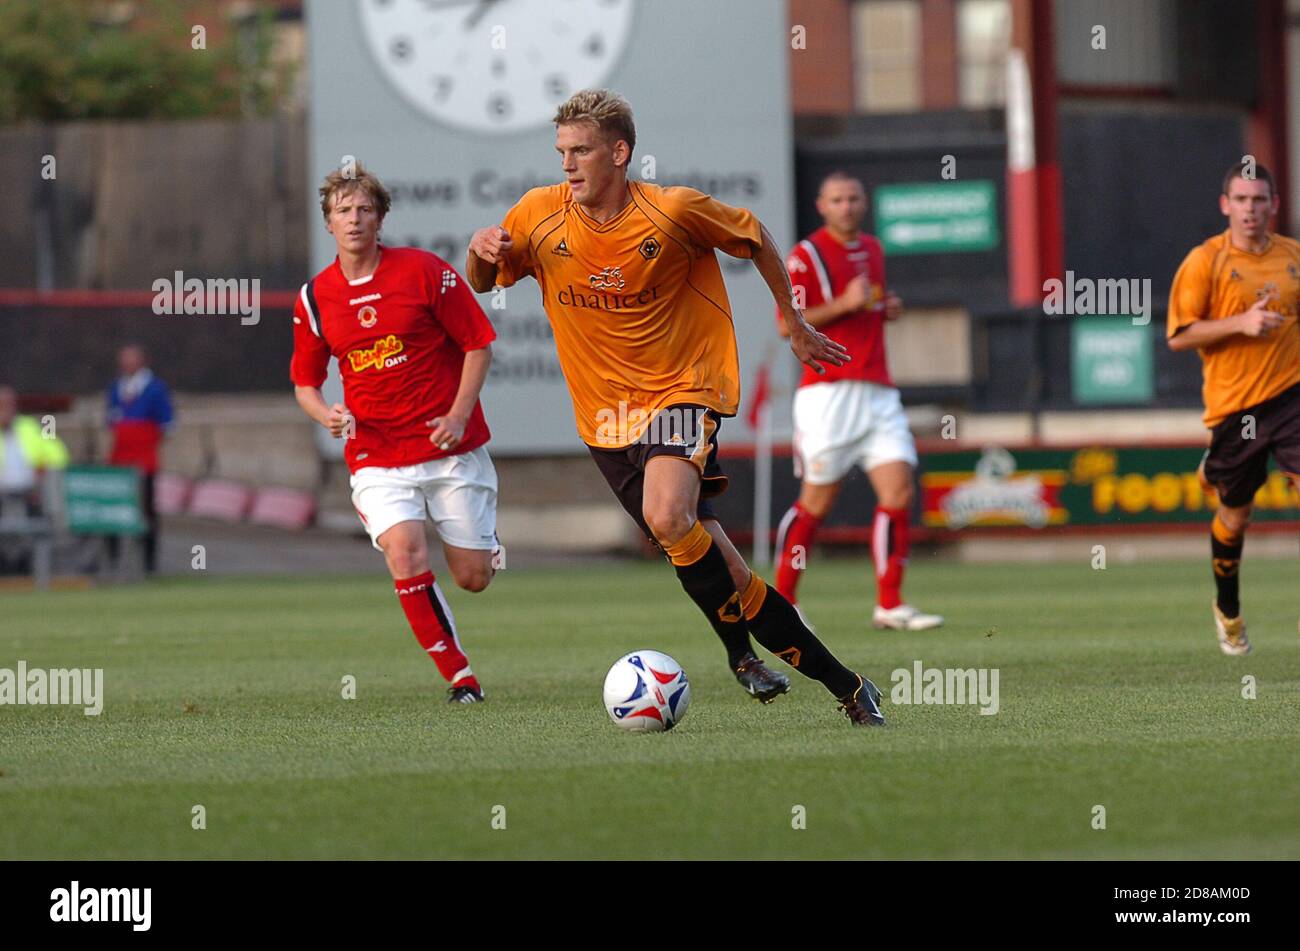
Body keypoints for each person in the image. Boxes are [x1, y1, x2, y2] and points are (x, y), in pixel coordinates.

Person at [466, 89, 886, 726]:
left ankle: (740, 658)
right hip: (605, 421)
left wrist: (794, 322)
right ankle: (850, 687)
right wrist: (479, 248)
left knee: (667, 515)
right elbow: (479, 279)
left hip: (685, 389)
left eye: (581, 151)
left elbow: (754, 236)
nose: (568, 165)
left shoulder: (673, 211)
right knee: (730, 576)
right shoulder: (539, 215)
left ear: (620, 152)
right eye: (561, 153)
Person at [291, 163, 499, 703]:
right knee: (405, 555)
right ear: (329, 223)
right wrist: (327, 416)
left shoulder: (425, 271)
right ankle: (461, 679)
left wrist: (456, 416)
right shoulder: (315, 299)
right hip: (377, 456)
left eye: (364, 209)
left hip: (449, 448)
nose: (354, 219)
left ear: (380, 218)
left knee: (473, 577)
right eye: (343, 210)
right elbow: (305, 385)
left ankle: (484, 545)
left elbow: (479, 344)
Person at [772, 172, 943, 632]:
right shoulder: (805, 256)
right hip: (829, 393)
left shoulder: (873, 249)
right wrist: (846, 303)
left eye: (853, 198)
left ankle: (890, 603)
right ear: (821, 205)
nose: (846, 206)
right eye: (837, 200)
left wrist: (884, 308)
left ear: (863, 203)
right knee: (816, 503)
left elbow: (867, 309)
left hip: (879, 390)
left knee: (899, 490)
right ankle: (782, 602)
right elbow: (789, 325)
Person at [1167, 161, 1300, 656]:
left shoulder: (1293, 257)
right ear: (1226, 205)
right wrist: (1239, 324)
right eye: (1241, 200)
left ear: (1274, 205)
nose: (1250, 209)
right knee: (1235, 515)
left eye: (1259, 199)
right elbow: (1180, 335)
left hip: (1291, 397)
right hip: (1236, 410)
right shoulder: (1205, 261)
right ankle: (1228, 610)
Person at [107, 344, 173, 574]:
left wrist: (145, 445)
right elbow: (112, 421)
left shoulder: (155, 388)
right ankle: (113, 561)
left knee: (147, 511)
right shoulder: (116, 387)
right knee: (112, 508)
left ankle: (149, 563)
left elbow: (167, 424)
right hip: (119, 458)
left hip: (144, 459)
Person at [0, 385, 69, 573]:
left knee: (45, 504)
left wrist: (41, 469)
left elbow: (57, 454)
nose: (6, 411)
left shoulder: (29, 426)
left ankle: (36, 566)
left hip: (29, 492)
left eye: (9, 406)